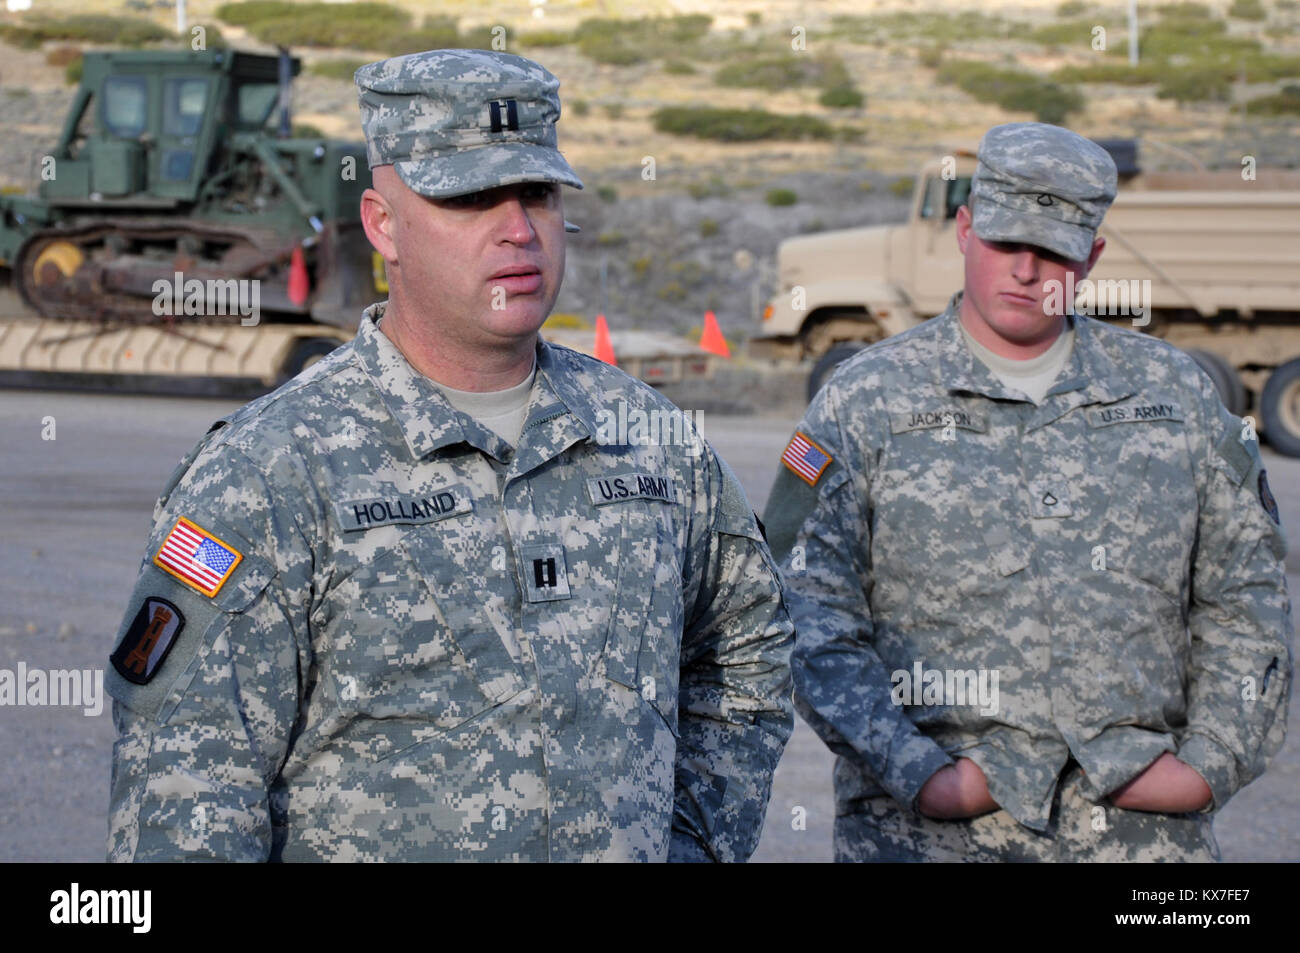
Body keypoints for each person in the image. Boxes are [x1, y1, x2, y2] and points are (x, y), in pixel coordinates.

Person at [106, 49, 793, 862]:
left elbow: (749, 644)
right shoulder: (270, 472)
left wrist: (691, 843)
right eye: (469, 197)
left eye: (536, 192)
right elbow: (188, 796)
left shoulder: (652, 438)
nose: (516, 228)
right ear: (382, 224)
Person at [764, 122, 1292, 862]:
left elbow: (1248, 598)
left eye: (1051, 252)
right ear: (965, 228)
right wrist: (918, 771)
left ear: (1093, 257)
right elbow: (802, 610)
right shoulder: (862, 402)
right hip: (924, 838)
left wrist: (1212, 762)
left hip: (1142, 846)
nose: (1024, 270)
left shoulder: (1177, 397)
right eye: (1006, 243)